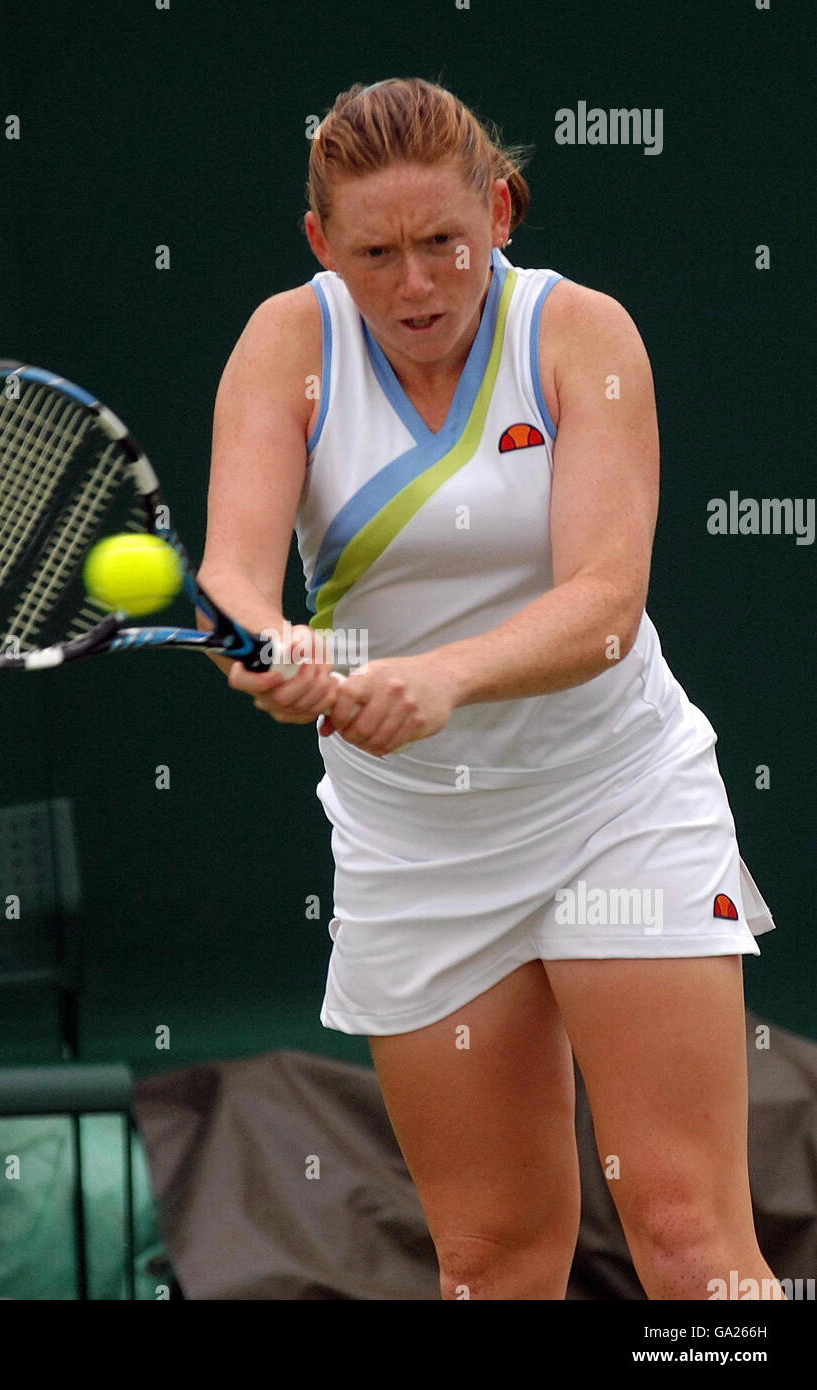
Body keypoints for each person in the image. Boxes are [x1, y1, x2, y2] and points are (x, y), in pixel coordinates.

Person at [196, 78, 783, 1301]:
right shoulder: (285, 345)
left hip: (616, 801)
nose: (415, 285)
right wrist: (266, 649)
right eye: (375, 253)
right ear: (321, 246)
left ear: (502, 210)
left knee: (686, 1239)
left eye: (442, 242)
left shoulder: (581, 335)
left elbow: (605, 606)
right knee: (492, 1258)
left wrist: (435, 679)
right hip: (415, 843)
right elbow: (234, 585)